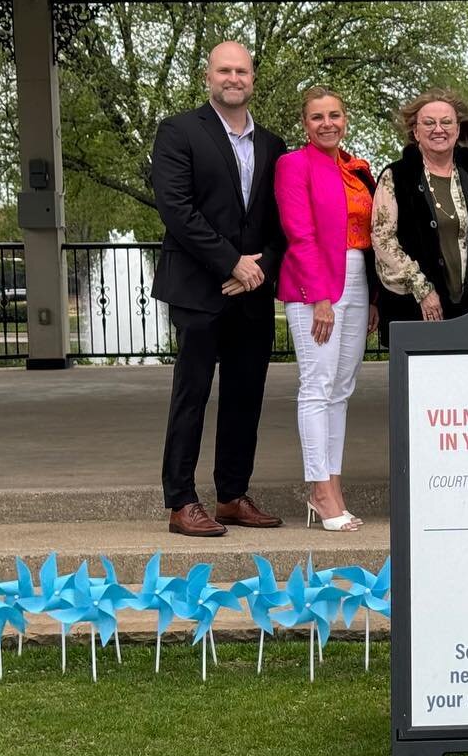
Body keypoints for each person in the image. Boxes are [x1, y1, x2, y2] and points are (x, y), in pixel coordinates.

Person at [151, 40, 286, 537]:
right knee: (192, 394)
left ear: (253, 79)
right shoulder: (179, 131)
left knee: (244, 397)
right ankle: (181, 501)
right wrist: (231, 261)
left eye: (242, 71)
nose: (234, 78)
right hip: (197, 288)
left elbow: (280, 222)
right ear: (208, 76)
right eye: (224, 70)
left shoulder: (273, 146)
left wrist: (260, 267)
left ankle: (231, 495)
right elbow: (176, 208)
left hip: (251, 293)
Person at [273, 85, 379, 532]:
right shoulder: (293, 165)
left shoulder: (357, 169)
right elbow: (299, 233)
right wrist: (320, 296)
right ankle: (319, 488)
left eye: (335, 114)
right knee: (317, 386)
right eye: (318, 117)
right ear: (305, 123)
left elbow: (373, 235)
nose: (327, 123)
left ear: (345, 118)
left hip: (356, 277)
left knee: (341, 388)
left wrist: (372, 295)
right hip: (315, 281)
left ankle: (333, 483)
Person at [372, 88, 468, 335]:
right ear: (415, 132)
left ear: (457, 129)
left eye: (446, 122)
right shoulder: (396, 176)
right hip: (416, 309)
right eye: (429, 123)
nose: (438, 129)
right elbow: (383, 239)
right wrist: (424, 291)